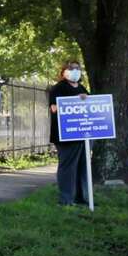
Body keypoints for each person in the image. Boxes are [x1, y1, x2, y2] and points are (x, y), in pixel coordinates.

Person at [48, 60, 91, 206]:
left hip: (82, 135)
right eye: (71, 68)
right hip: (65, 135)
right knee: (68, 168)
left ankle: (82, 198)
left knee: (82, 168)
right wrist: (75, 101)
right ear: (64, 72)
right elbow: (54, 108)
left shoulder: (82, 88)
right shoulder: (58, 88)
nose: (75, 71)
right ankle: (65, 200)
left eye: (78, 68)